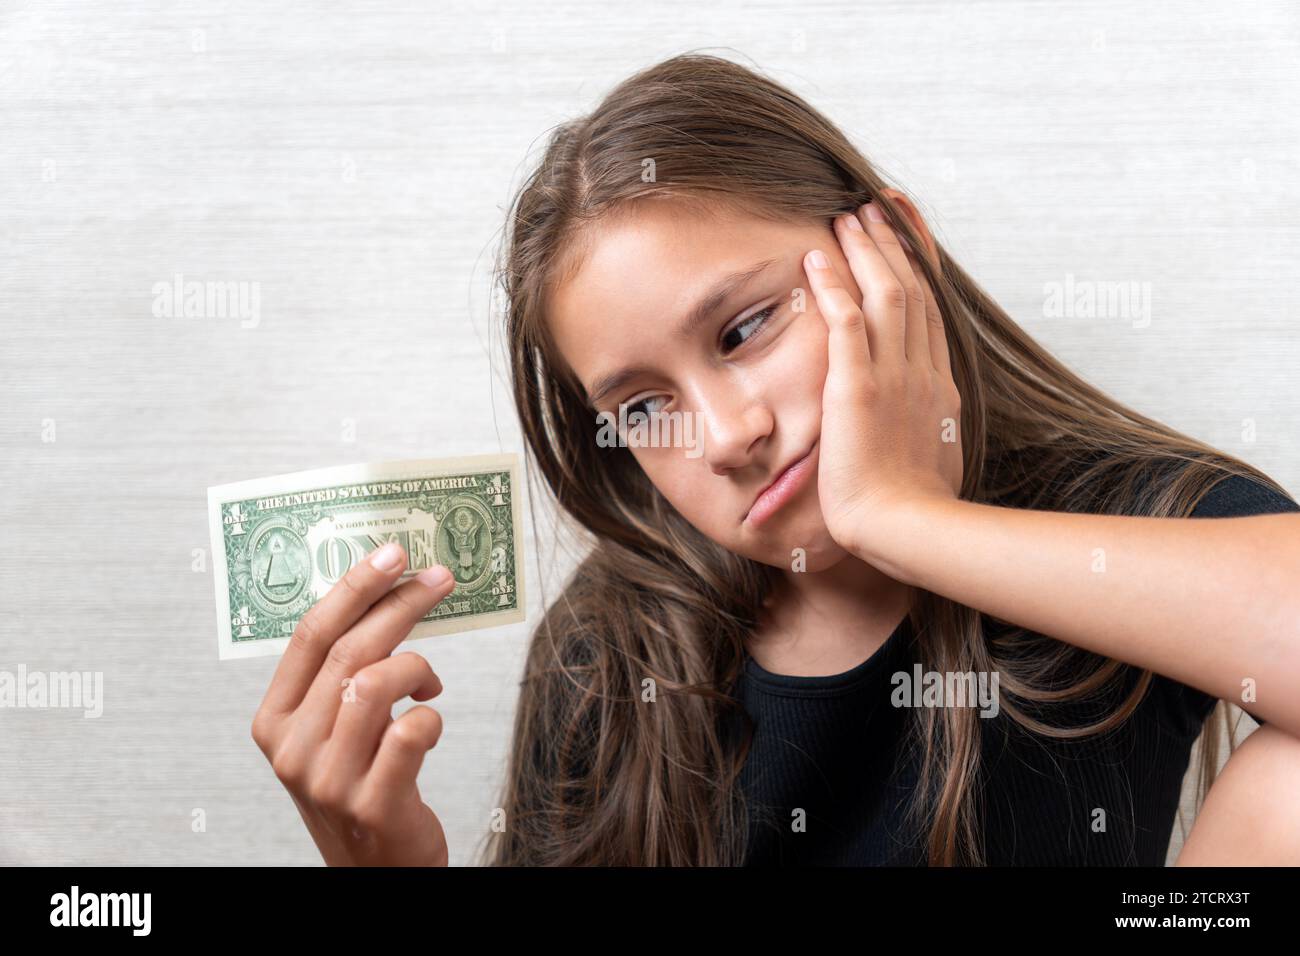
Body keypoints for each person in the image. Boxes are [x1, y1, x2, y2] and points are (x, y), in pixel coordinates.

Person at [250, 53, 1300, 867]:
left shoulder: (1119, 518)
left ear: (893, 249)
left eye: (746, 328)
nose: (726, 434)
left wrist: (899, 513)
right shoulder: (615, 644)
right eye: (645, 405)